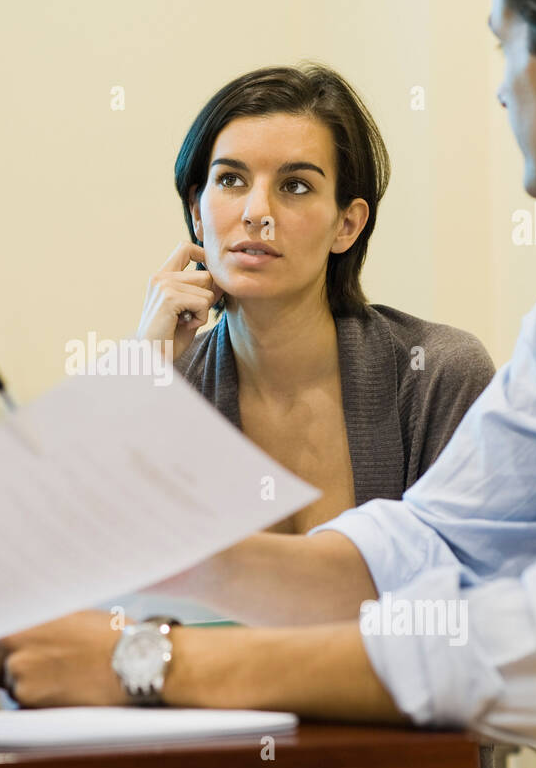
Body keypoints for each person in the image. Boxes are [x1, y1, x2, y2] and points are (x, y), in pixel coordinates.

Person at [0, 0, 536, 768]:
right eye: (228, 180)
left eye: (498, 42)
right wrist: (161, 560)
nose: (502, 94)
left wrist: (154, 662)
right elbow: (434, 539)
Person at [139, 64, 493, 542]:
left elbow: (472, 591)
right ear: (196, 213)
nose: (257, 213)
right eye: (230, 180)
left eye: (295, 186)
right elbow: (85, 580)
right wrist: (138, 384)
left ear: (346, 224)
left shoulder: (440, 377)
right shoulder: (163, 386)